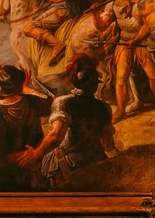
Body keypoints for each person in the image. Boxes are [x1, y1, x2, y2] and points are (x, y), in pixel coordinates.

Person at [11, 53, 115, 186]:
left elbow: (56, 136)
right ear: (95, 85)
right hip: (96, 163)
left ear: (74, 80)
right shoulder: (104, 107)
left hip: (70, 168)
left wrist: (36, 153)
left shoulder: (63, 102)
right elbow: (108, 144)